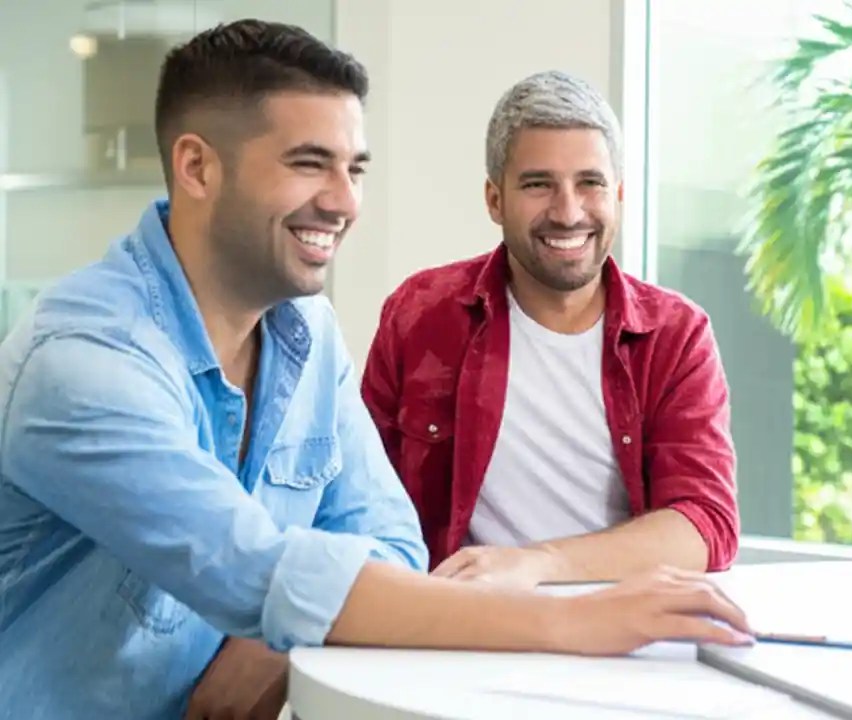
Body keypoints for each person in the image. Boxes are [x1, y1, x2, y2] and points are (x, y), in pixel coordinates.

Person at [0, 22, 750, 720]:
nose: (346, 201)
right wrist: (575, 616)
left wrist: (277, 635)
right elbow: (253, 568)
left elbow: (389, 539)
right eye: (308, 164)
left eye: (354, 168)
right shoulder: (82, 362)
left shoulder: (307, 336)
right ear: (197, 166)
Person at [362, 70, 740, 587]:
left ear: (619, 195)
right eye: (539, 184)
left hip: (619, 628)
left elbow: (705, 523)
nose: (568, 212)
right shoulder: (421, 314)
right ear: (494, 200)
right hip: (456, 624)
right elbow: (358, 499)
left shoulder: (676, 336)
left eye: (590, 183)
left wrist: (540, 563)